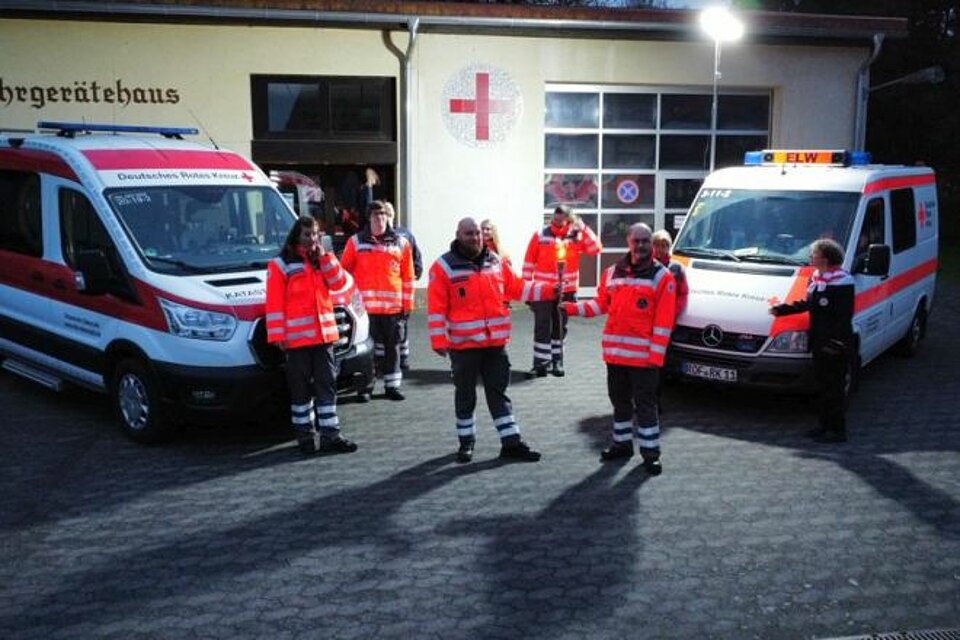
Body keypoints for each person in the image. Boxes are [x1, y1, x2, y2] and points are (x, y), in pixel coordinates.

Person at [428, 217, 557, 464]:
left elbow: (518, 288)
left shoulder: (495, 261)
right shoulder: (443, 267)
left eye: (477, 233)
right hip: (464, 346)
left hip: (495, 345)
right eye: (468, 234)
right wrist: (437, 340)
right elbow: (436, 308)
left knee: (499, 394)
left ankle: (511, 443)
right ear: (458, 235)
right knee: (466, 396)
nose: (475, 237)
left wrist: (549, 291)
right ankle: (466, 443)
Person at [561, 223, 676, 475]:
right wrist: (571, 308)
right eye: (637, 240)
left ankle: (650, 453)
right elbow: (600, 305)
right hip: (615, 357)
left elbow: (664, 322)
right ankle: (622, 444)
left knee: (645, 407)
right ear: (629, 241)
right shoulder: (612, 272)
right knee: (620, 404)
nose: (642, 245)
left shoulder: (662, 277)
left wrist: (655, 358)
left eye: (646, 240)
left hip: (645, 360)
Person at [265, 215, 358, 455]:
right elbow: (274, 303)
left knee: (327, 387)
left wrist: (325, 258)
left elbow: (338, 284)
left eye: (316, 234)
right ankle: (305, 438)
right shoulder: (280, 264)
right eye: (307, 234)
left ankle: (331, 436)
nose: (312, 238)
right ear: (297, 236)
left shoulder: (322, 260)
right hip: (297, 341)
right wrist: (277, 336)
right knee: (301, 391)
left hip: (324, 337)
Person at [769, 238, 854, 443]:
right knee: (823, 387)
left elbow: (843, 317)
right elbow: (809, 304)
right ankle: (823, 426)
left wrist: (836, 344)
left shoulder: (842, 282)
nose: (810, 257)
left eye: (813, 254)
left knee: (834, 389)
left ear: (825, 258)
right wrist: (782, 310)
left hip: (834, 345)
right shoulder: (817, 278)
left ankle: (838, 431)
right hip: (819, 342)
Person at [340, 200, 415, 401]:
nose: (380, 219)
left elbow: (408, 277)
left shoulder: (401, 243)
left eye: (383, 215)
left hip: (393, 309)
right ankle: (366, 388)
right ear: (369, 218)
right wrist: (351, 305)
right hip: (364, 310)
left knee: (393, 348)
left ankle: (392, 386)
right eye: (376, 215)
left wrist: (407, 306)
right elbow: (344, 274)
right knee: (367, 352)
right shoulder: (355, 242)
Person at [522, 204, 602, 378]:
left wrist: (582, 226)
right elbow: (529, 262)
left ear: (569, 219)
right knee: (542, 325)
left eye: (561, 219)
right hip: (543, 290)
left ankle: (557, 361)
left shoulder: (576, 236)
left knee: (559, 326)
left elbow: (595, 248)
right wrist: (527, 290)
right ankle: (541, 363)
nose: (557, 222)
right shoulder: (540, 235)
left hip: (567, 289)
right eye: (555, 219)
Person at [382, 201, 422, 371]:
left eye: (389, 213)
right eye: (384, 214)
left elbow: (415, 256)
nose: (387, 217)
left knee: (401, 326)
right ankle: (385, 360)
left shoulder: (405, 235)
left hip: (400, 291)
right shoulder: (375, 236)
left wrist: (416, 273)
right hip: (382, 292)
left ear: (394, 215)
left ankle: (403, 357)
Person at [651, 229, 689, 319]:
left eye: (663, 246)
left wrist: (673, 312)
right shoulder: (644, 265)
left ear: (669, 247)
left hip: (667, 318)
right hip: (646, 318)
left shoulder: (676, 268)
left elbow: (683, 294)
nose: (659, 249)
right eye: (656, 245)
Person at [481, 218, 512, 307]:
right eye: (482, 229)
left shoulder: (501, 252)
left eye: (488, 229)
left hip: (498, 299)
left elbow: (508, 279)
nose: (484, 231)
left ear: (493, 231)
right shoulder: (474, 250)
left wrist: (506, 300)